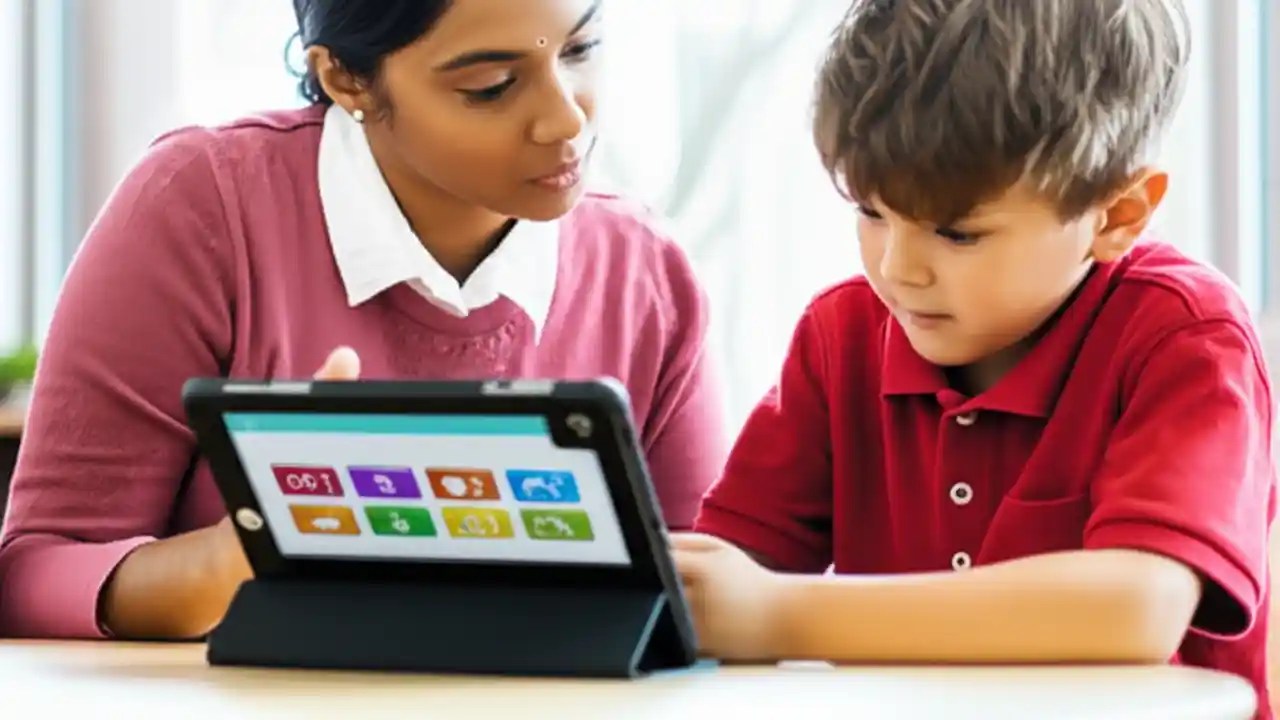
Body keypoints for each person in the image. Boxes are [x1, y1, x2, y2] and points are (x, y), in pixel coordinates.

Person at [0, 0, 725, 642]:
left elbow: (710, 594)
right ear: (346, 78)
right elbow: (37, 571)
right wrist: (229, 559)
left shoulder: (645, 273)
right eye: (490, 86)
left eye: (580, 49)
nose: (566, 117)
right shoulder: (201, 209)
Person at [675, 0, 1275, 715]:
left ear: (1117, 216)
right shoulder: (842, 336)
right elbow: (722, 582)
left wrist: (776, 615)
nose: (897, 269)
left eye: (957, 234)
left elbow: (1136, 611)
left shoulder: (1184, 338)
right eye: (872, 213)